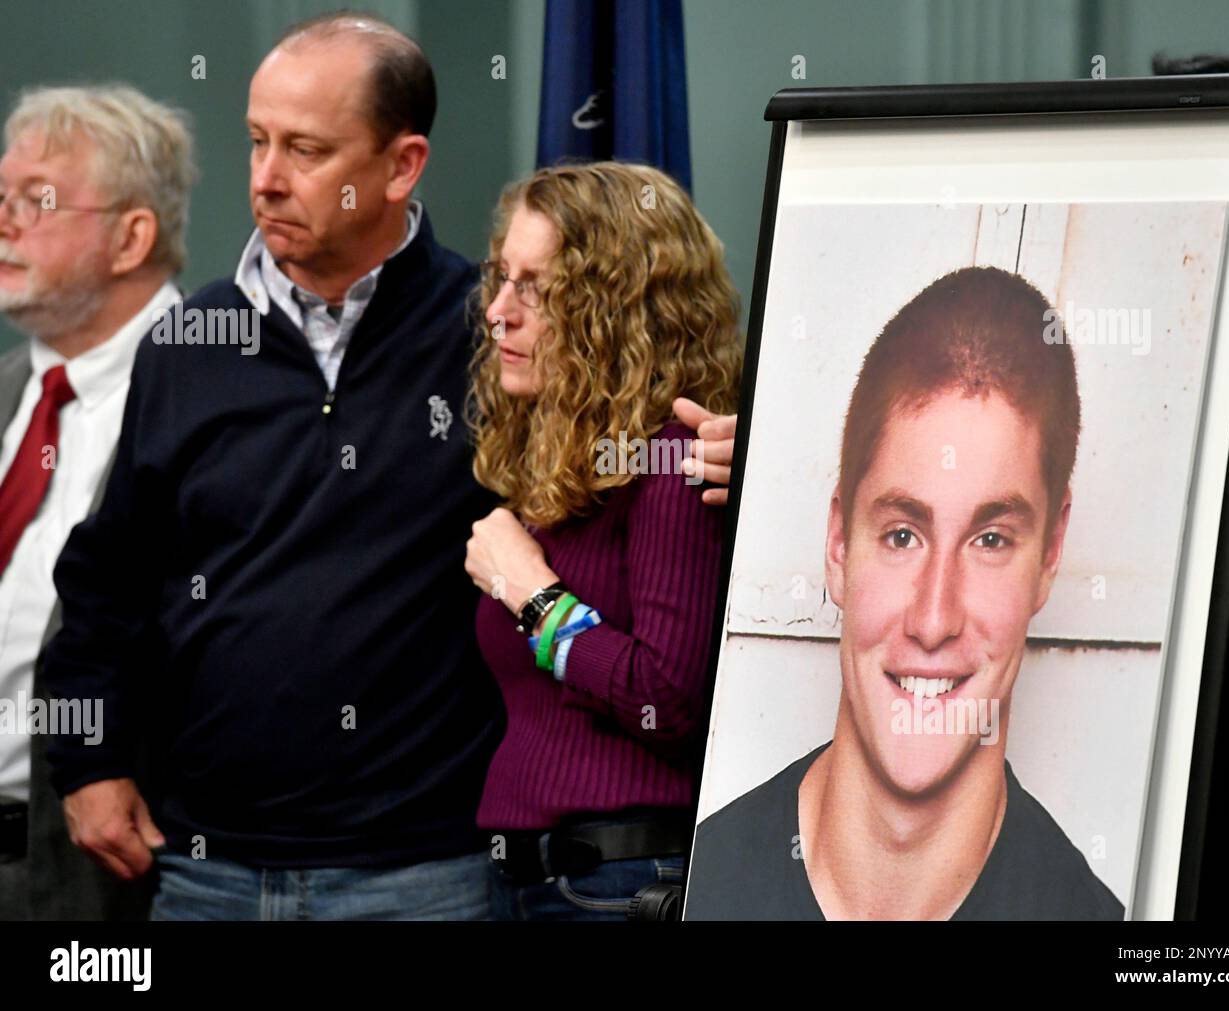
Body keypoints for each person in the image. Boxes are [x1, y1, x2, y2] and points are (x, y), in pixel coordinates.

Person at [40, 13, 735, 921]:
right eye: (256, 142)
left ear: (401, 166)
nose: (266, 179)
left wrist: (744, 449)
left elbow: (639, 430)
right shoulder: (190, 343)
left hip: (432, 872)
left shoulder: (491, 339)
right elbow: (103, 583)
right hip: (206, 865)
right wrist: (88, 762)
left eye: (306, 149)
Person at [686, 266, 1124, 921]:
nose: (933, 617)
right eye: (900, 534)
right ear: (838, 544)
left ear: (1050, 554)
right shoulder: (704, 883)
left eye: (991, 539)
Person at [464, 161, 742, 920]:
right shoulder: (561, 461)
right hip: (528, 878)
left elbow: (668, 699)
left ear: (613, 311)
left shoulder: (677, 458)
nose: (498, 312)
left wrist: (532, 595)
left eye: (537, 289)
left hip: (615, 883)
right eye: (502, 278)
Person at [0, 85, 194, 920]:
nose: (5, 220)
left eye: (36, 199)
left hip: (105, 874)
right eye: (0, 196)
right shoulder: (13, 387)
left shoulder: (213, 396)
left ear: (131, 237)